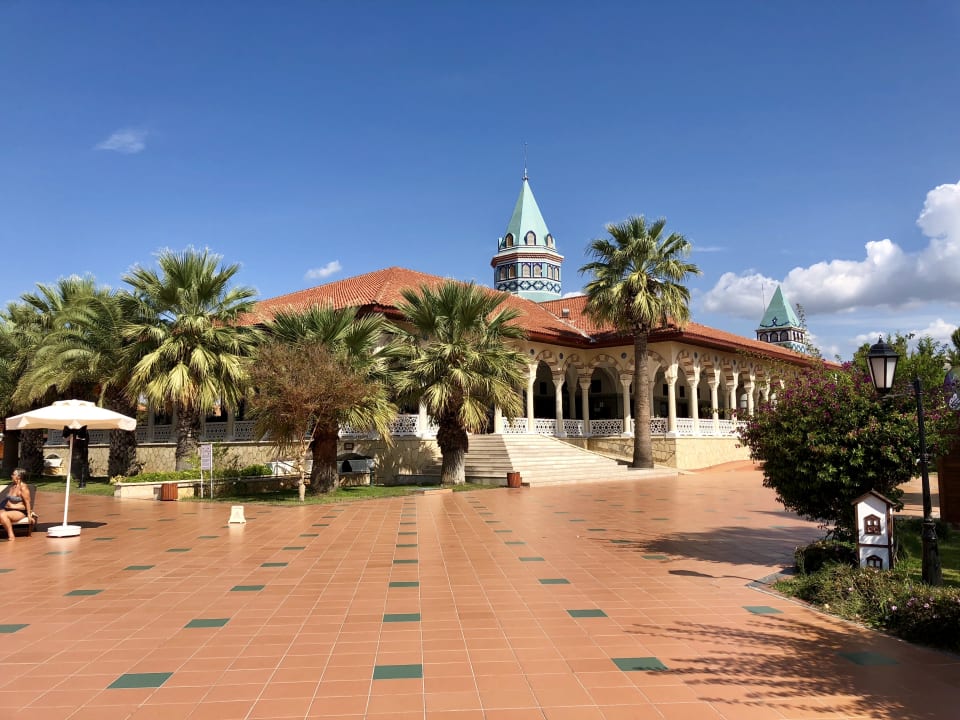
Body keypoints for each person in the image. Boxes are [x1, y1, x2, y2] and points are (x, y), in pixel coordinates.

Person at [0, 468, 32, 542]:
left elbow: (27, 502)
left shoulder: (23, 488)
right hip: (8, 509)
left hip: (19, 511)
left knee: (2, 515)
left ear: (19, 476)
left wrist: (29, 515)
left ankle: (11, 535)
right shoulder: (12, 486)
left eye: (13, 474)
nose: (11, 476)